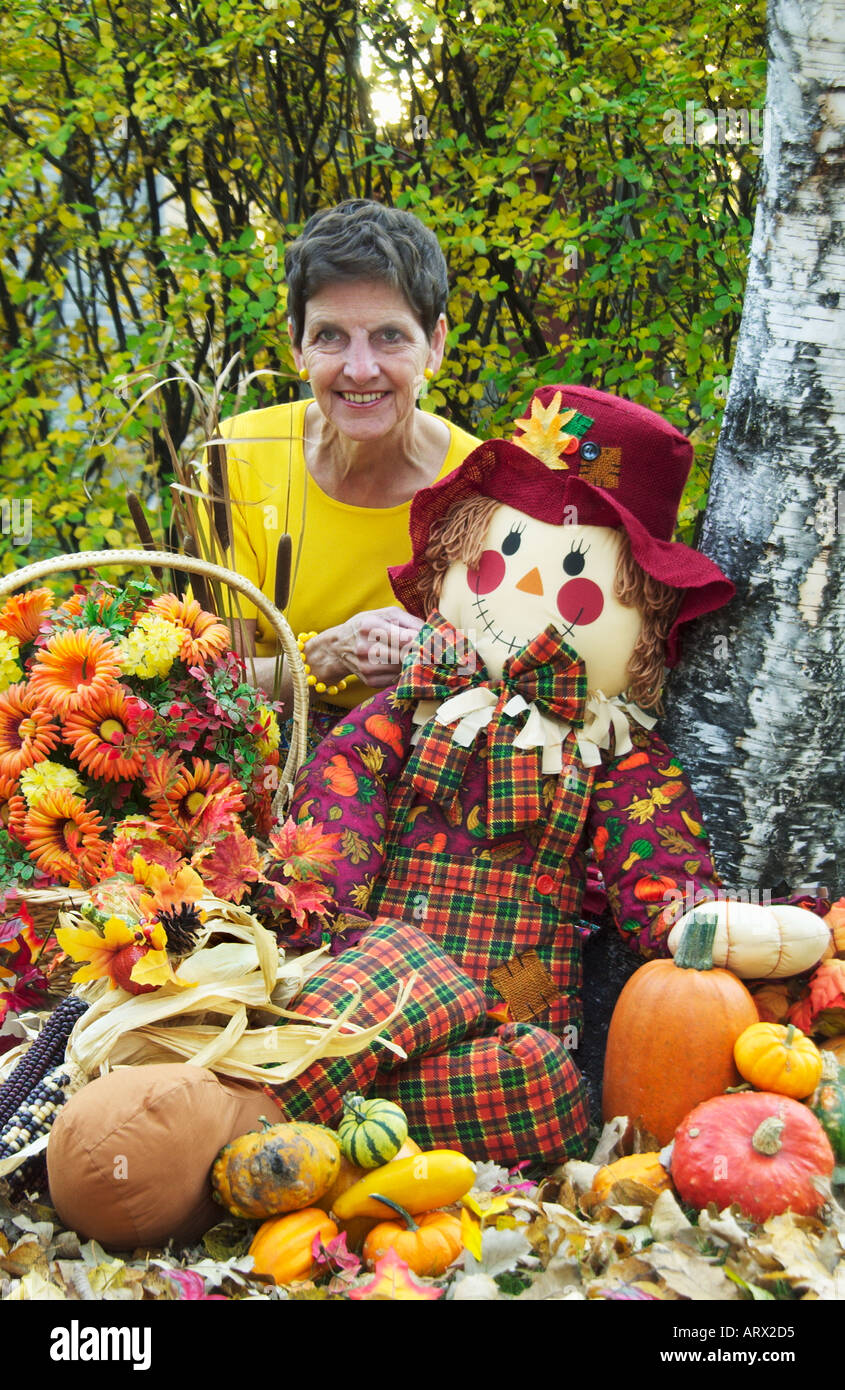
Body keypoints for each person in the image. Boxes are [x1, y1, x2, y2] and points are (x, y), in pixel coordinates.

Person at [213, 199, 481, 730]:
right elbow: (209, 681)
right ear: (296, 346)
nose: (360, 370)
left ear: (435, 345)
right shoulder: (236, 457)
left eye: (390, 336)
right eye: (330, 336)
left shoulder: (484, 485)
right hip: (258, 760)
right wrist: (326, 657)